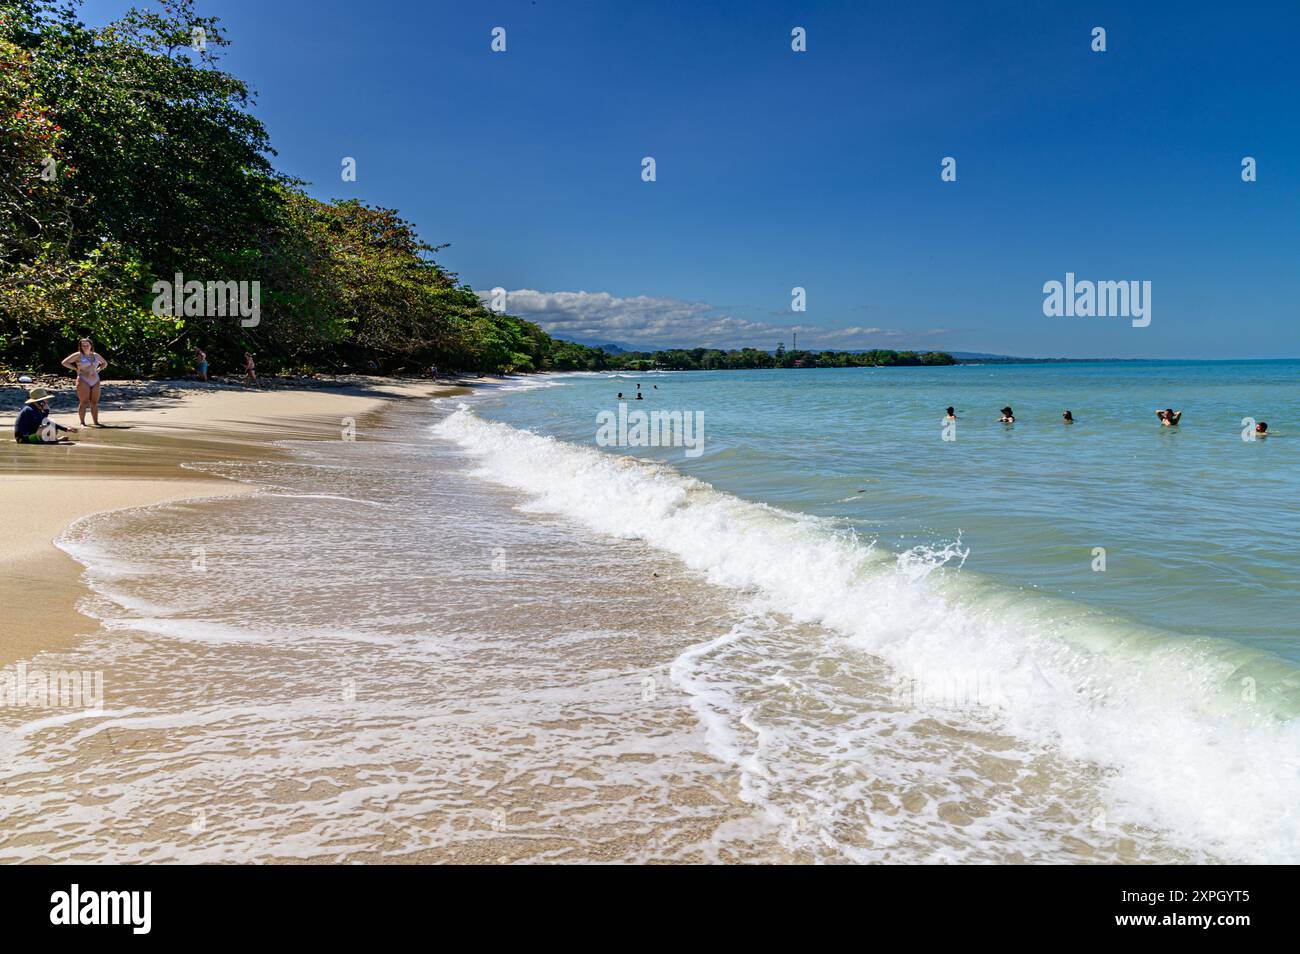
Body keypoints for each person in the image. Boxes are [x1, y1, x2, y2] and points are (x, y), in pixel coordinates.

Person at [60, 338, 106, 426]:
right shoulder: (78, 355)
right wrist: (75, 368)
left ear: (91, 346)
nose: (85, 347)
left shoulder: (96, 355)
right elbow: (64, 362)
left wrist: (99, 369)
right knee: (84, 402)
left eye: (87, 345)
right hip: (83, 379)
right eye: (83, 346)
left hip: (95, 380)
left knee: (94, 402)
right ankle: (82, 423)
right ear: (81, 346)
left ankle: (96, 422)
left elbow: (105, 363)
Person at [13, 387, 78, 444]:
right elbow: (44, 421)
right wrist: (46, 411)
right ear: (40, 402)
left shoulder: (35, 408)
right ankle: (52, 441)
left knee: (53, 428)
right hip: (22, 439)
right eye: (45, 400)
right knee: (48, 427)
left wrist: (65, 429)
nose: (47, 401)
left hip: (30, 434)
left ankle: (53, 440)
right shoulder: (30, 409)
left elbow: (45, 420)